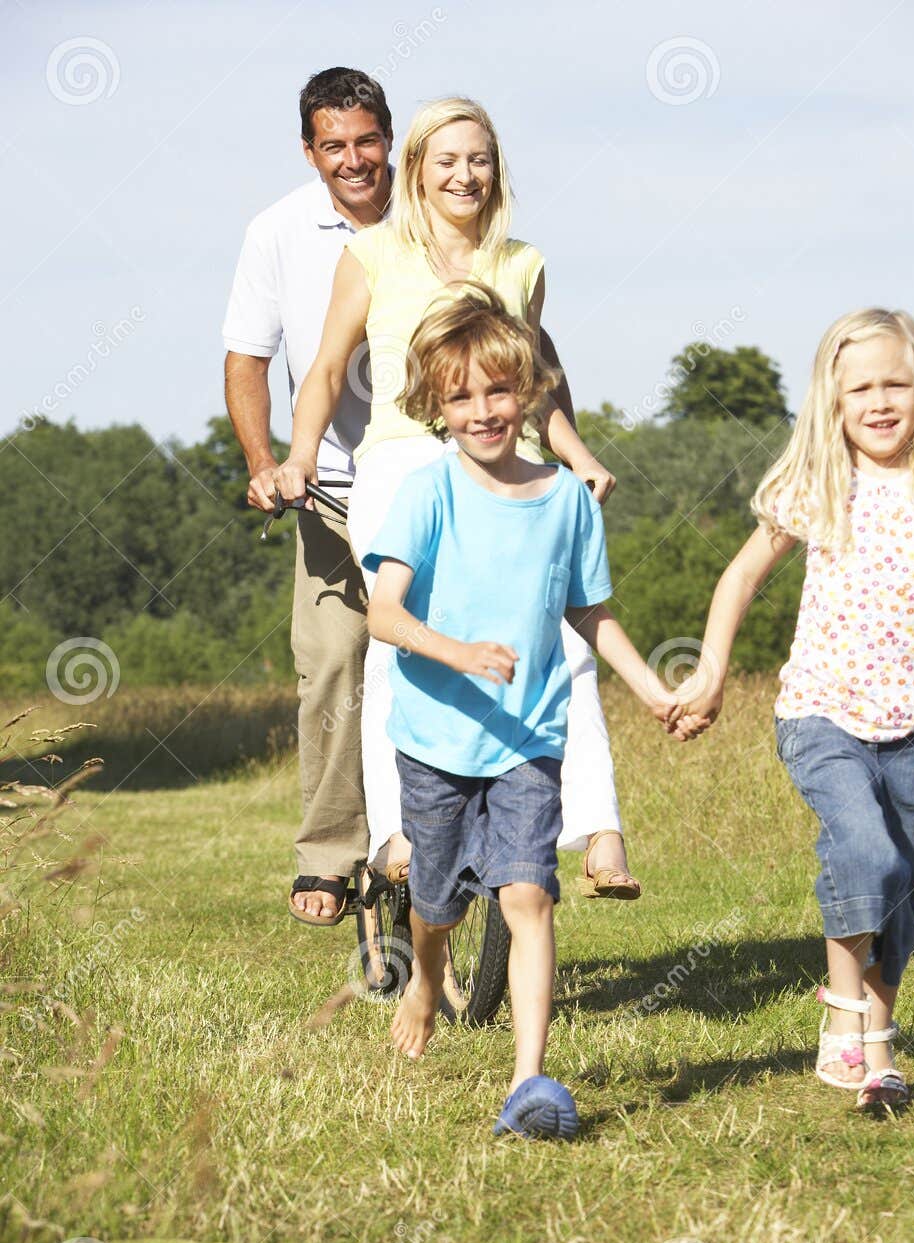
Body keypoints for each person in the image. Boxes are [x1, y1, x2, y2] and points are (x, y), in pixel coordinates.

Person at [671, 307, 914, 1110]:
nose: (879, 401)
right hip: (820, 715)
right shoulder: (817, 483)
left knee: (905, 885)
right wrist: (710, 674)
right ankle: (843, 1014)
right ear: (831, 403)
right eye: (860, 388)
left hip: (910, 730)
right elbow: (738, 579)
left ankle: (875, 1049)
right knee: (866, 856)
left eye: (895, 384)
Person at [276, 96, 642, 901]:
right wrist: (299, 456)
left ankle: (598, 829)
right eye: (445, 160)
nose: (464, 174)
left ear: (496, 169)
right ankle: (397, 831)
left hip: (509, 460)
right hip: (403, 462)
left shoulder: (522, 262)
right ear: (417, 171)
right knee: (396, 638)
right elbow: (328, 370)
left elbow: (537, 381)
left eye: (478, 159)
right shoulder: (373, 254)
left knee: (564, 639)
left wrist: (576, 454)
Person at [361, 287, 702, 1133]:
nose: (483, 411)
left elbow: (590, 613)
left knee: (528, 897)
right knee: (436, 901)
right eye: (461, 397)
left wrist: (654, 691)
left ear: (529, 391)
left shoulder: (566, 501)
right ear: (434, 406)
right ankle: (426, 982)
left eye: (498, 392)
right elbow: (384, 613)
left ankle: (530, 1082)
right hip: (437, 737)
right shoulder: (427, 491)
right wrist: (458, 652)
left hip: (527, 738)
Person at [223, 67, 393, 926]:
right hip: (327, 484)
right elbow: (248, 358)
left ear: (389, 139)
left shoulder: (434, 209)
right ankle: (329, 853)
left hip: (439, 480)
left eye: (367, 141)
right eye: (335, 146)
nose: (354, 160)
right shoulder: (278, 231)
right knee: (333, 663)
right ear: (310, 151)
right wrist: (265, 462)